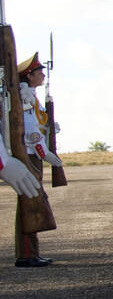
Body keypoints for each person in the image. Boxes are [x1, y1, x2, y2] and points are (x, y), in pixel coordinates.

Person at [13, 53, 60, 266]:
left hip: (33, 153)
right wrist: (44, 151)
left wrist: (50, 129)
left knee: (33, 200)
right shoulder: (25, 97)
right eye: (39, 71)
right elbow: (30, 130)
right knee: (29, 202)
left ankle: (31, 251)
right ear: (29, 75)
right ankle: (26, 253)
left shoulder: (33, 97)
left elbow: (38, 126)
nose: (43, 74)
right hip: (29, 154)